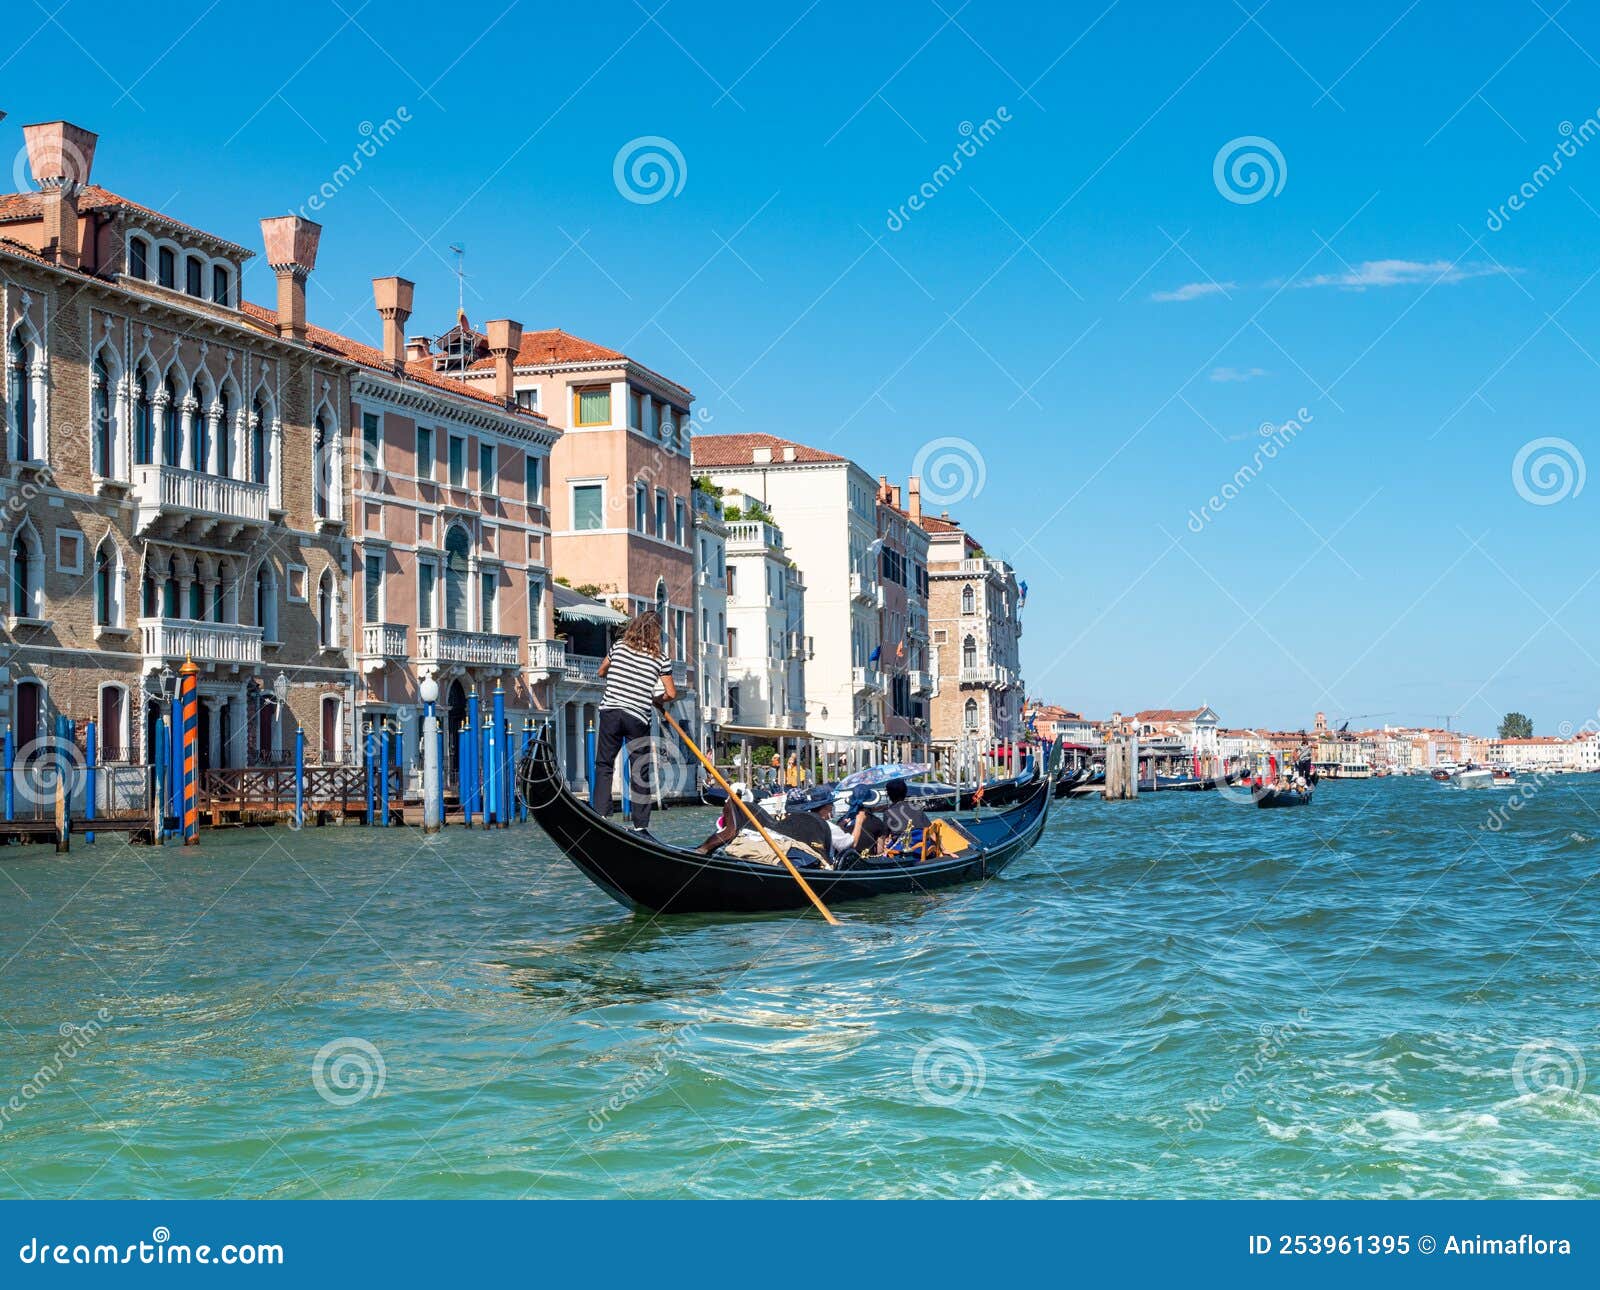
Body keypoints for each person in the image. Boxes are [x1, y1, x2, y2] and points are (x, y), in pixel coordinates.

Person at [592, 610, 675, 834]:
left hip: (610, 711)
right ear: (657, 632)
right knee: (640, 769)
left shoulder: (619, 646)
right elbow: (671, 693)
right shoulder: (661, 658)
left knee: (604, 764)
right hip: (637, 716)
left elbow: (601, 671)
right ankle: (641, 825)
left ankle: (600, 813)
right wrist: (655, 699)